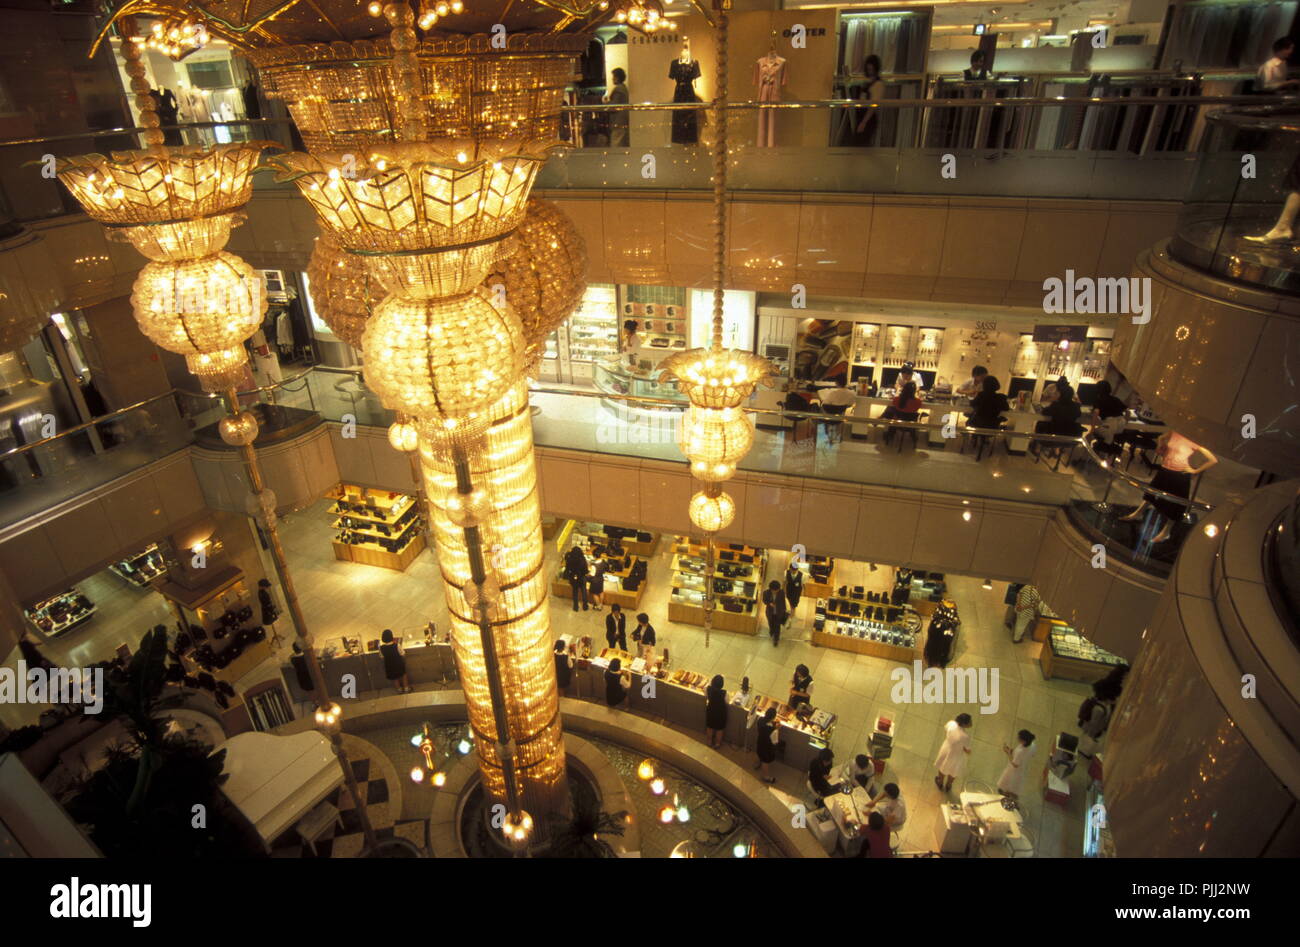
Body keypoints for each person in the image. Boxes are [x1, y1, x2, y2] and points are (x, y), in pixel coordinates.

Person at [1120, 430, 1218, 542]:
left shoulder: (1194, 441)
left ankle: (1166, 532)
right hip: (1165, 469)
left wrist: (1195, 471)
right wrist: (1160, 446)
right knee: (1151, 492)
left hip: (1180, 474)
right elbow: (1161, 437)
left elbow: (1213, 460)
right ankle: (1138, 514)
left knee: (1175, 504)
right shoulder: (1175, 432)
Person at [1030, 378, 1082, 457]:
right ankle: (1056, 450)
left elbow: (1044, 412)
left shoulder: (1056, 405)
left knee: (1041, 423)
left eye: (1057, 393)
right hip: (1070, 437)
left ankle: (1038, 448)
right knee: (1061, 427)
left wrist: (1054, 401)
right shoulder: (1076, 406)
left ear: (1060, 394)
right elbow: (1078, 414)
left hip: (1053, 435)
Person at [1078, 679, 1121, 761]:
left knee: (1088, 739)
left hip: (1093, 727)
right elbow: (1093, 724)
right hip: (1092, 729)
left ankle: (1085, 749)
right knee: (1088, 739)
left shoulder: (1103, 705)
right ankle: (1084, 751)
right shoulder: (1099, 709)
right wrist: (1093, 733)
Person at [934, 713, 973, 793]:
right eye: (970, 722)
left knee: (942, 765)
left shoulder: (951, 724)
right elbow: (967, 750)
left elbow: (946, 728)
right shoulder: (965, 737)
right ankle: (948, 785)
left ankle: (940, 782)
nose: (971, 723)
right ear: (964, 724)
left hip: (946, 748)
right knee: (953, 770)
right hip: (956, 754)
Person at [853, 54, 884, 146]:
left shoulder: (878, 84)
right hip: (861, 115)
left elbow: (873, 106)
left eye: (871, 69)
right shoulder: (867, 81)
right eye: (868, 69)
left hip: (868, 118)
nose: (869, 72)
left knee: (861, 143)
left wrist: (864, 122)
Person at [997, 729, 1036, 799]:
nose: (1017, 739)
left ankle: (1006, 793)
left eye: (1019, 738)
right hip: (1023, 768)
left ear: (1024, 741)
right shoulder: (1032, 745)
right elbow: (1032, 755)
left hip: (1014, 771)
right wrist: (1012, 750)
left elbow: (1015, 764)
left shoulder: (1020, 752)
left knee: (1009, 782)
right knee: (1016, 783)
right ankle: (1011, 793)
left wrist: (1008, 753)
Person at [881, 381, 923, 445]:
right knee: (891, 410)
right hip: (910, 424)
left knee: (890, 409)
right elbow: (916, 408)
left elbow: (894, 404)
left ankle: (888, 431)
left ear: (904, 389)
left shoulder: (897, 399)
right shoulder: (918, 402)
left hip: (897, 423)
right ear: (914, 391)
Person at [817, 378, 855, 443]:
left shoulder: (833, 393)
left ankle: (823, 433)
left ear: (836, 383)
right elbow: (850, 404)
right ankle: (835, 435)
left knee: (816, 408)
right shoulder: (851, 394)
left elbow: (824, 404)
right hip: (840, 416)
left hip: (828, 416)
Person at [379, 628, 411, 694]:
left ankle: (399, 689)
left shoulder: (381, 648)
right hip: (398, 664)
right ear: (391, 637)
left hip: (389, 666)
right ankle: (406, 688)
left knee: (394, 677)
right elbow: (403, 654)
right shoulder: (397, 645)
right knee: (403, 675)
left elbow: (382, 657)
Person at [605, 67, 630, 146]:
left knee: (616, 144)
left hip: (618, 122)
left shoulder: (618, 89)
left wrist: (605, 104)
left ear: (617, 77)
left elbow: (614, 106)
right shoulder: (623, 88)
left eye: (614, 76)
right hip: (623, 122)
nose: (612, 78)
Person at [754, 706, 779, 783]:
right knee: (766, 761)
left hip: (760, 742)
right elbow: (775, 741)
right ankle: (766, 777)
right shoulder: (773, 730)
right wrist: (777, 729)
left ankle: (758, 764)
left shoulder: (759, 719)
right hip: (767, 747)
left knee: (759, 753)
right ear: (774, 717)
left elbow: (761, 728)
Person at [563, 543, 590, 611]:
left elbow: (567, 569)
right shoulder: (582, 559)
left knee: (575, 592)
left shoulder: (570, 559)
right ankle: (585, 606)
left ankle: (575, 607)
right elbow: (585, 570)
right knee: (584, 591)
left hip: (573, 578)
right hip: (581, 577)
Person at [762, 580, 788, 646]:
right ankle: (771, 631)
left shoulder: (781, 592)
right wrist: (769, 603)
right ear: (771, 589)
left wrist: (784, 610)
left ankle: (776, 639)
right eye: (775, 590)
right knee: (770, 623)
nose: (777, 591)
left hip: (779, 612)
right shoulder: (766, 593)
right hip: (770, 612)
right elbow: (764, 601)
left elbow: (783, 602)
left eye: (778, 589)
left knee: (777, 626)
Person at [705, 674, 727, 747]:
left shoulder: (708, 689)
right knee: (719, 728)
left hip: (711, 710)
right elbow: (727, 701)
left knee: (710, 726)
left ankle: (709, 741)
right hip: (721, 712)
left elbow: (706, 696)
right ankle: (717, 743)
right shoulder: (725, 693)